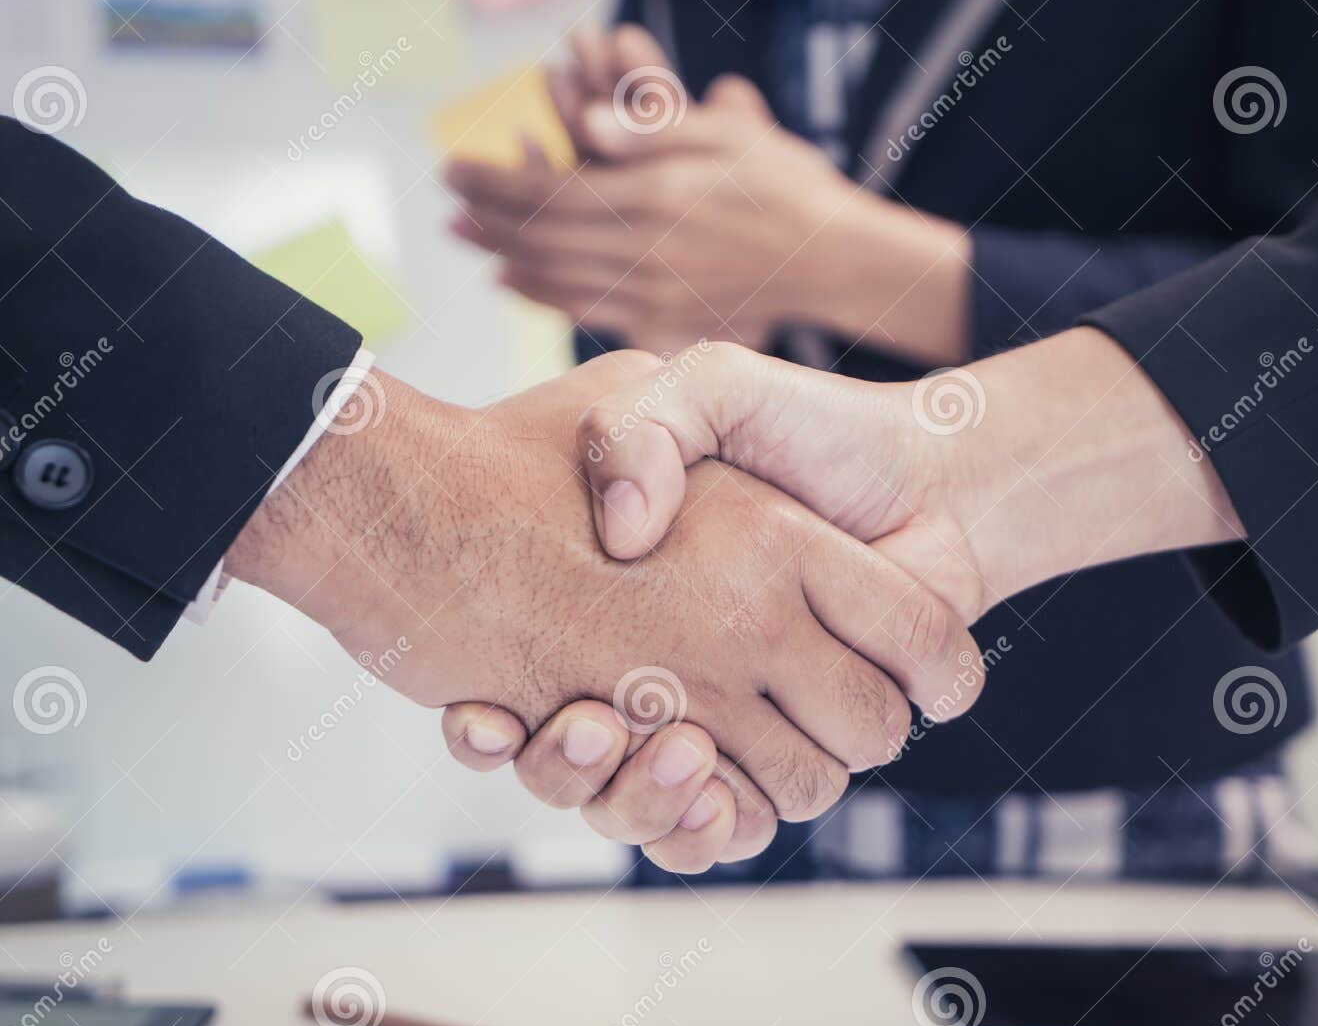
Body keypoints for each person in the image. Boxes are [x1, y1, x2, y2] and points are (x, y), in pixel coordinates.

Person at [463, 12, 1318, 869]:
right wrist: (670, 302)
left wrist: (835, 251)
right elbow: (705, 341)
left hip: (1111, 791)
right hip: (717, 770)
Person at [0, 117, 986, 875]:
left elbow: (1144, 333)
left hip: (1063, 811)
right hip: (706, 812)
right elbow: (629, 426)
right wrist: (420, 518)